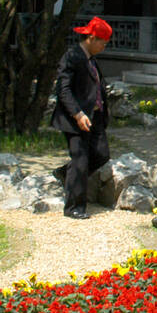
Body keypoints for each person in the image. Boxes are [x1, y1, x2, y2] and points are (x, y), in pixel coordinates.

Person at [51, 17, 113, 220]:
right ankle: (74, 207)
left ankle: (65, 174)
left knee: (101, 154)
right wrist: (77, 114)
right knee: (80, 159)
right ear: (92, 38)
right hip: (76, 117)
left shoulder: (91, 59)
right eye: (103, 43)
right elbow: (63, 89)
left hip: (94, 116)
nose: (104, 47)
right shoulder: (72, 56)